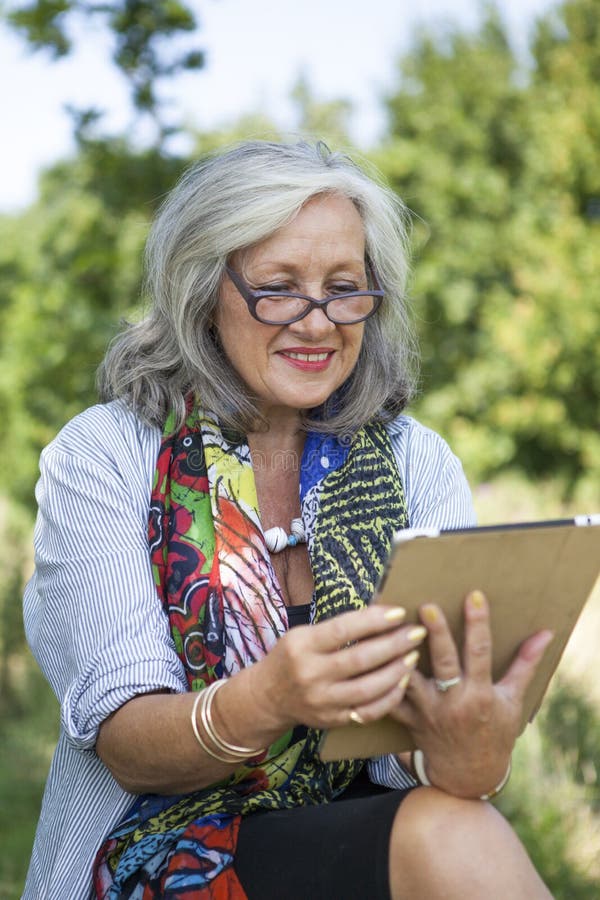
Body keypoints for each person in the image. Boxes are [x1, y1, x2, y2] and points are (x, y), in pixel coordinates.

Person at [23, 139, 553, 900]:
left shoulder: (416, 462)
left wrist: (469, 747)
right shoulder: (108, 453)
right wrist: (267, 697)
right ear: (204, 289)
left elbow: (424, 761)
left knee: (455, 821)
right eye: (278, 287)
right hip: (160, 851)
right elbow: (131, 749)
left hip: (367, 839)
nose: (318, 323)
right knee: (449, 836)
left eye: (345, 288)